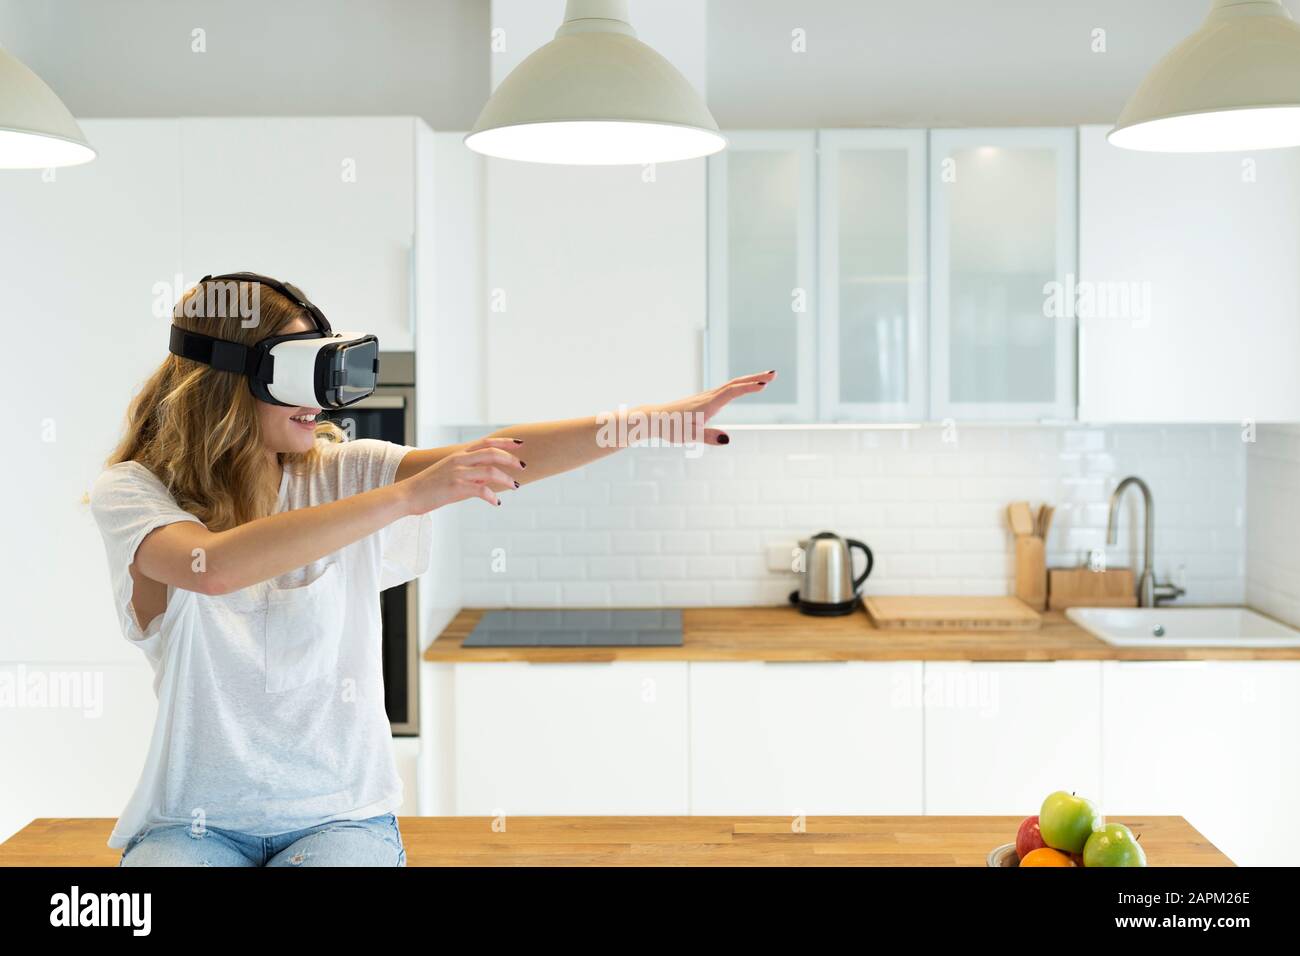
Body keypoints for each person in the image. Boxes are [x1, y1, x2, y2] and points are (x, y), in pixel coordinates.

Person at [89, 274, 774, 866]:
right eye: (296, 371)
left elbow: (502, 454)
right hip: (193, 822)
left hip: (340, 816)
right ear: (230, 383)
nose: (321, 400)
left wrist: (649, 422)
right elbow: (210, 568)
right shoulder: (135, 492)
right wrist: (406, 496)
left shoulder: (339, 474)